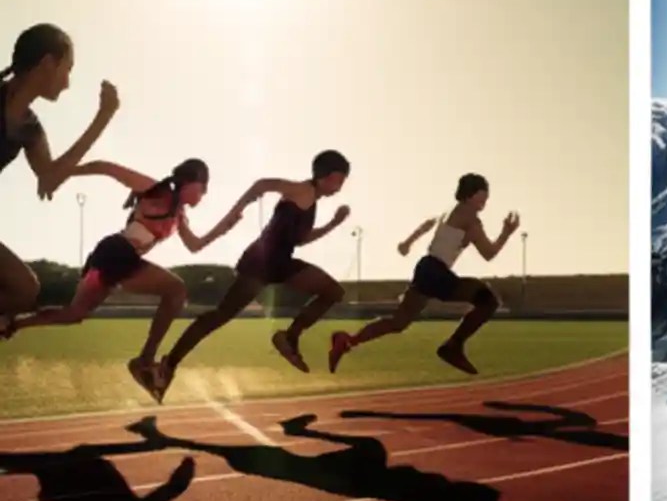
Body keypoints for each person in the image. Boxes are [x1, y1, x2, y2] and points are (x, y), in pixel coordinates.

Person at [4, 159, 241, 387]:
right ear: (190, 182)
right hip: (118, 253)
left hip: (109, 257)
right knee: (176, 291)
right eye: (204, 188)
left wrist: (225, 227)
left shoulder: (179, 215)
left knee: (74, 313)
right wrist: (64, 172)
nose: (205, 194)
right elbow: (107, 168)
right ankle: (144, 361)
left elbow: (194, 246)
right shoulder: (156, 189)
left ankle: (13, 324)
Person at [138, 151, 351, 403]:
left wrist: (333, 224)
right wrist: (238, 209)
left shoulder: (310, 201)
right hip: (262, 262)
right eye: (338, 180)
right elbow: (262, 184)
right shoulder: (301, 190)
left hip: (280, 262)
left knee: (333, 292)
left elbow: (301, 239)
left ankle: (289, 337)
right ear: (324, 176)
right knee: (220, 315)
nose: (340, 186)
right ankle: (168, 365)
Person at [327, 173, 518, 376]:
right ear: (469, 196)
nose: (484, 203)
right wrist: (507, 232)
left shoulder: (449, 212)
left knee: (398, 322)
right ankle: (453, 346)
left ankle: (348, 340)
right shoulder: (471, 218)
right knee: (488, 300)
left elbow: (429, 224)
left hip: (425, 267)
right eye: (481, 198)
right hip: (436, 272)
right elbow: (489, 254)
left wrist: (408, 242)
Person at [0, 23, 119, 334]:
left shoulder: (30, 127)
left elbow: (50, 178)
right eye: (67, 69)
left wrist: (102, 118)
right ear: (47, 63)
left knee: (24, 289)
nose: (67, 83)